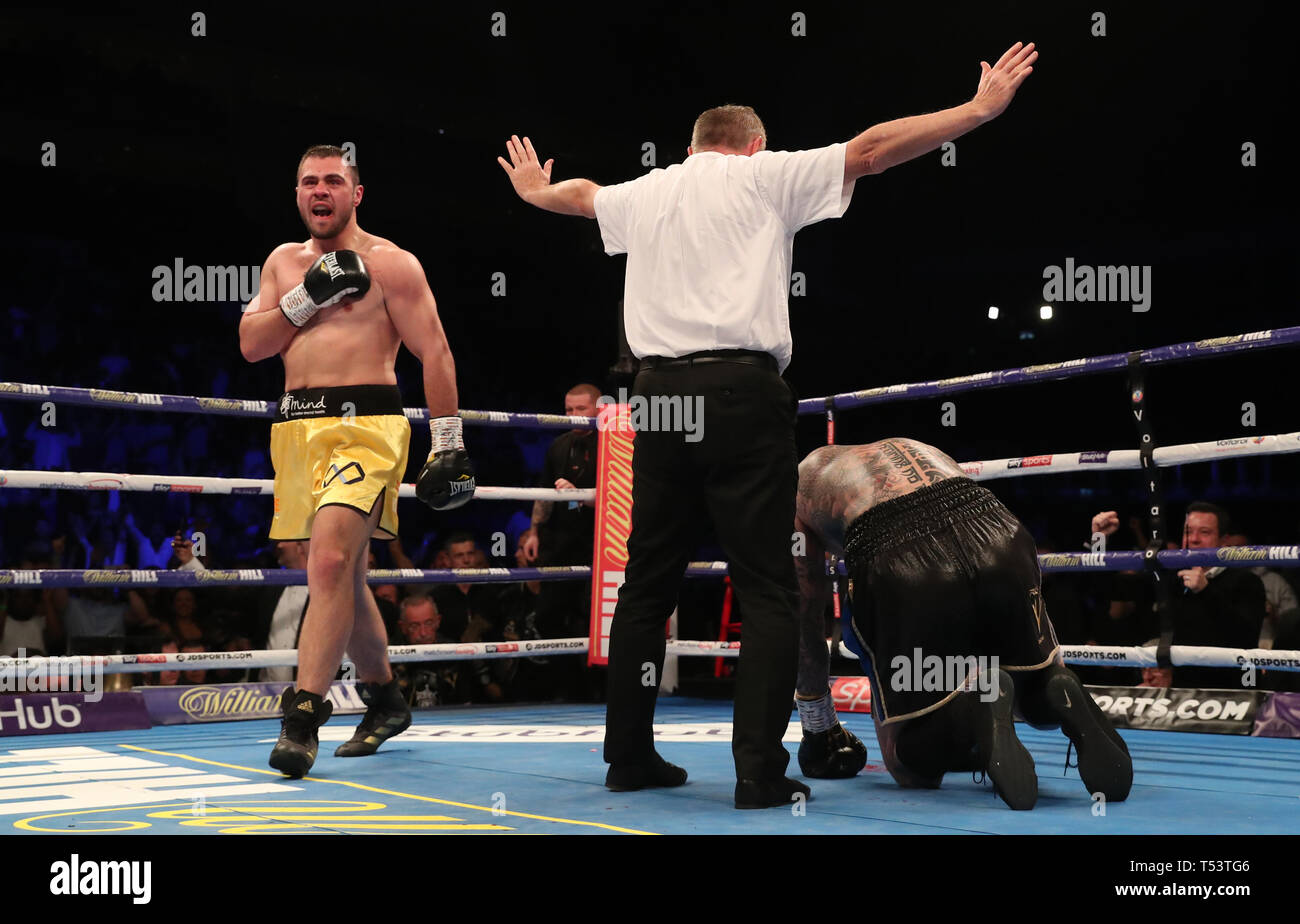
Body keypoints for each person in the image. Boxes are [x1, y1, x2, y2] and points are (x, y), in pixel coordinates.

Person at [498, 41, 1040, 808]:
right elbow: (874, 150)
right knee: (768, 589)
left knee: (647, 582)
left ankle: (628, 759)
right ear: (752, 143)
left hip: (655, 399)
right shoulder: (765, 172)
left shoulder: (649, 190)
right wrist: (978, 110)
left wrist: (533, 194)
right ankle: (758, 771)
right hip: (740, 394)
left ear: (690, 148)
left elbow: (583, 195)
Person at [239, 144, 475, 778]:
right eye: (309, 182)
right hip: (295, 431)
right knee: (340, 573)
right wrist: (303, 300)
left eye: (334, 181)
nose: (321, 191)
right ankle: (386, 697)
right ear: (297, 195)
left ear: (356, 194)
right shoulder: (283, 263)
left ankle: (302, 716)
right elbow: (252, 345)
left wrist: (447, 443)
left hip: (365, 428)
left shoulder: (392, 264)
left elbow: (437, 353)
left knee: (333, 559)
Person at [793, 439, 1132, 810]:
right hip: (995, 528)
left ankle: (975, 709)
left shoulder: (804, 482)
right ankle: (1055, 689)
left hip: (896, 548)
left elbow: (805, 610)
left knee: (907, 767)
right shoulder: (917, 447)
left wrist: (818, 725)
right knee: (1034, 672)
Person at [1091, 502, 1266, 689]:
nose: (1194, 539)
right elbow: (1107, 588)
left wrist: (1206, 591)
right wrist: (1099, 540)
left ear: (1224, 541)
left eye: (1204, 532)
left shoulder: (1247, 581)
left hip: (1229, 692)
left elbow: (1245, 639)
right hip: (1180, 695)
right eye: (1188, 532)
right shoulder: (1171, 577)